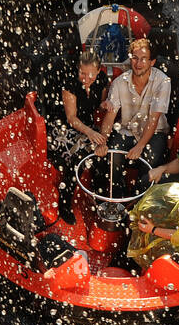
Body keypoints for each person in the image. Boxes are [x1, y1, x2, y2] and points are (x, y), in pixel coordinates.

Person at [49, 50, 110, 224]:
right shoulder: (71, 84)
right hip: (65, 129)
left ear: (98, 71)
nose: (86, 77)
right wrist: (91, 133)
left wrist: (105, 104)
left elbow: (99, 105)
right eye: (82, 72)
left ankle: (98, 197)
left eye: (91, 73)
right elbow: (71, 118)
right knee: (78, 158)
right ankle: (64, 203)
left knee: (101, 153)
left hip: (88, 127)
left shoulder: (102, 81)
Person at [100, 38, 171, 169]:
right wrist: (102, 143)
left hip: (155, 132)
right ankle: (116, 190)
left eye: (144, 59)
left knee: (148, 162)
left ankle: (143, 189)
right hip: (126, 131)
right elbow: (110, 117)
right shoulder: (119, 82)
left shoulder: (163, 81)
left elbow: (153, 119)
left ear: (152, 62)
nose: (138, 63)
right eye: (135, 58)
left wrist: (140, 146)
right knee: (112, 158)